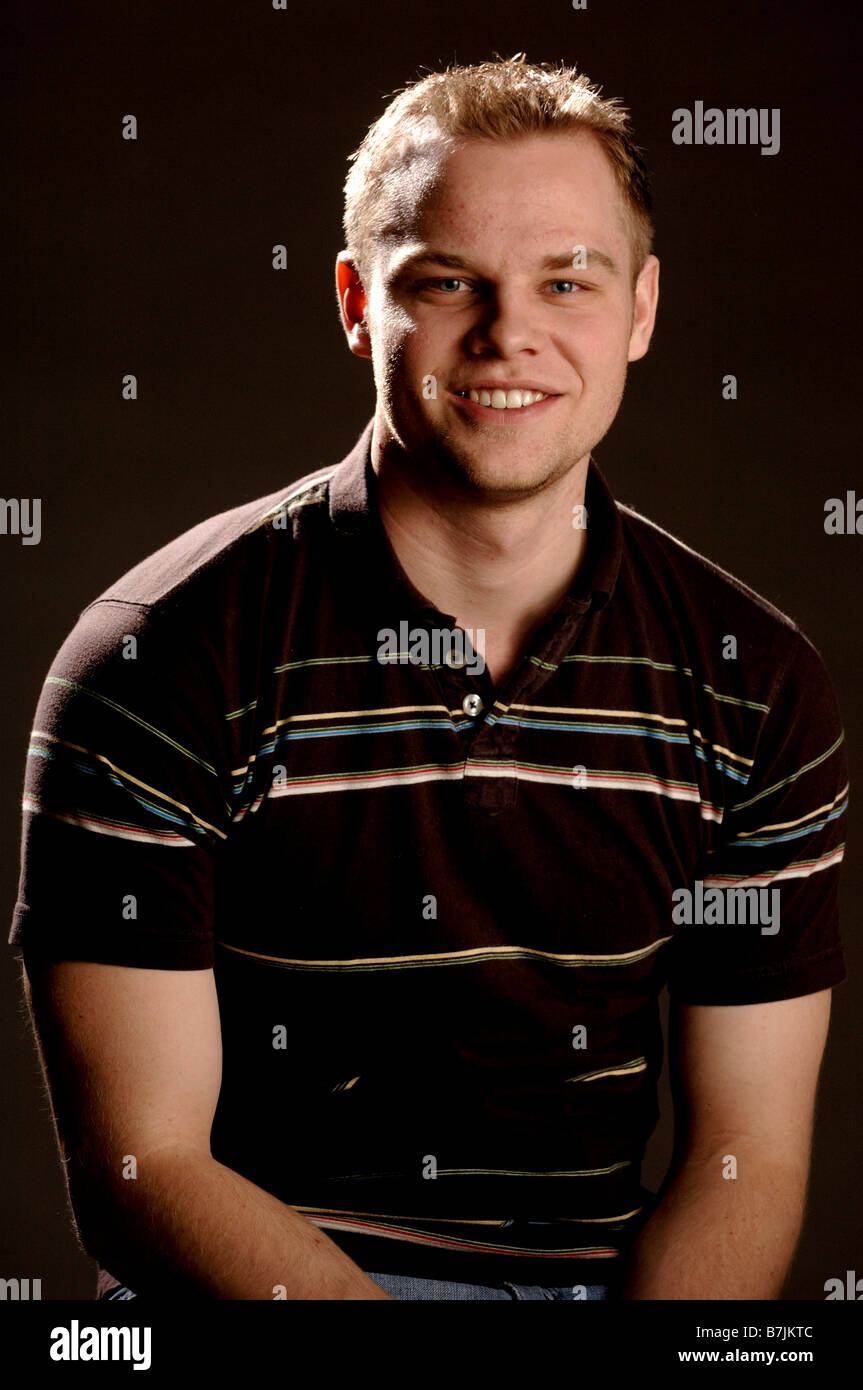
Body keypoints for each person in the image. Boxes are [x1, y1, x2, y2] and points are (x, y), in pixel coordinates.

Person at [10, 55, 848, 1302]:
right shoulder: (156, 655)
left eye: (566, 281)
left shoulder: (755, 684)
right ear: (354, 302)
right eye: (447, 281)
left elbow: (746, 1155)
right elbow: (142, 1168)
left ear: (641, 308)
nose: (510, 333)